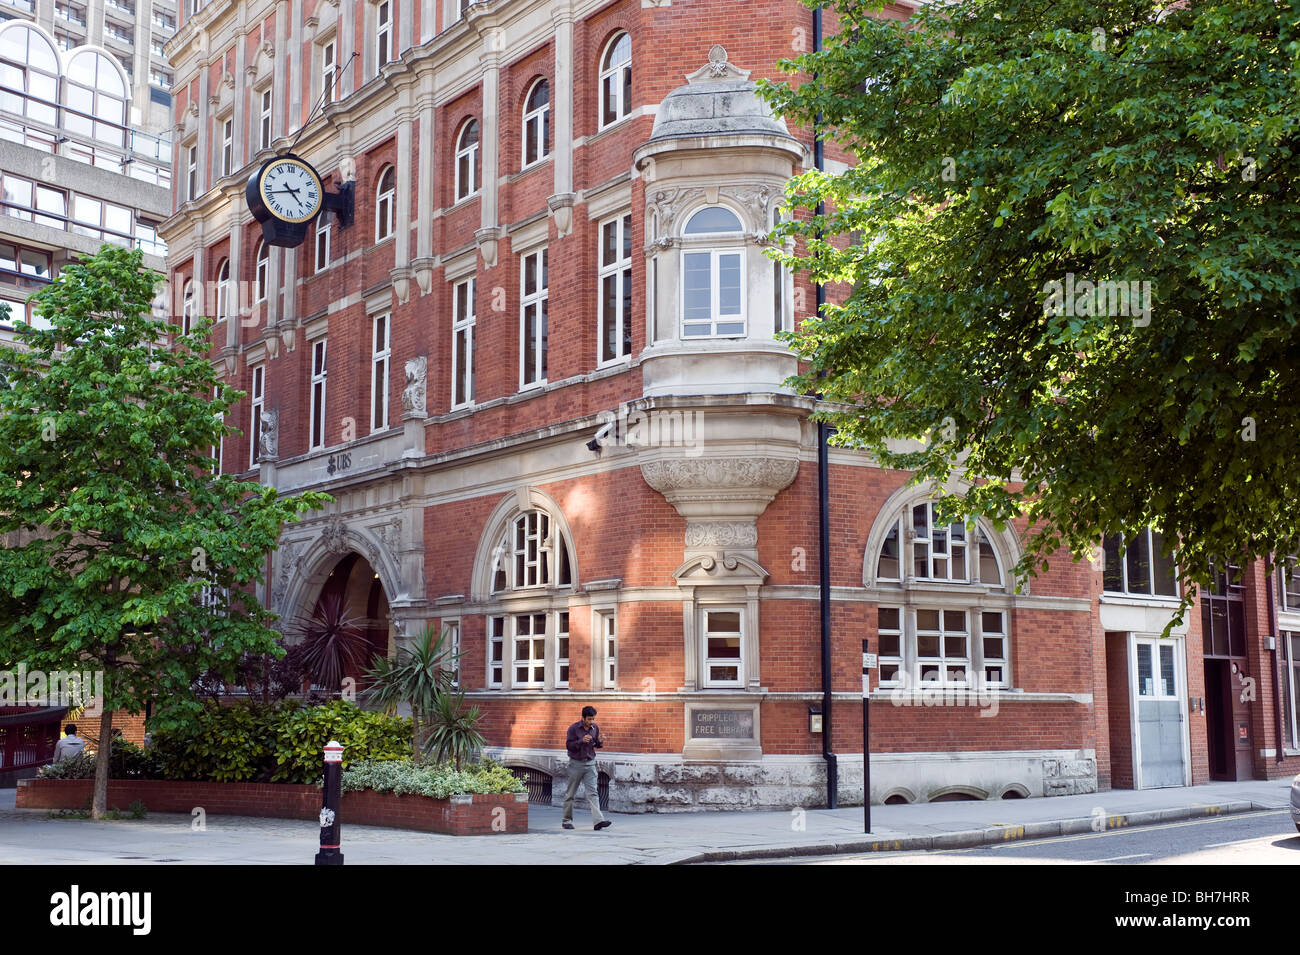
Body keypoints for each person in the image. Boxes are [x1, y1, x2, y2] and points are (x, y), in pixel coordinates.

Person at [562, 705, 611, 830]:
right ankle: (566, 821)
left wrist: (600, 741)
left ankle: (598, 821)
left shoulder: (595, 728)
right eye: (589, 719)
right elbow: (569, 745)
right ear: (583, 718)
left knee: (593, 793)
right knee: (570, 794)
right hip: (576, 764)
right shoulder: (573, 728)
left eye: (593, 719)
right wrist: (580, 741)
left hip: (590, 764)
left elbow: (595, 744)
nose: (591, 722)